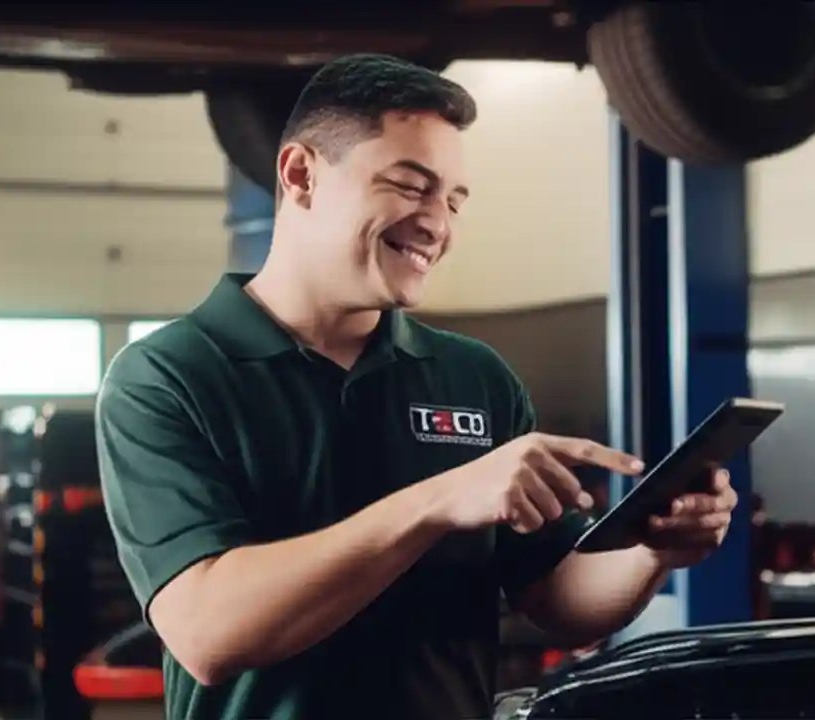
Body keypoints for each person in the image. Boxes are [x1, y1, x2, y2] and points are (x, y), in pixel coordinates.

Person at [95, 53, 738, 720]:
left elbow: (557, 598)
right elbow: (208, 632)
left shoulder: (474, 378)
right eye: (409, 186)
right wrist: (439, 499)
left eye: (454, 200)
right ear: (300, 174)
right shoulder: (167, 378)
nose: (439, 225)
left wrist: (650, 551)